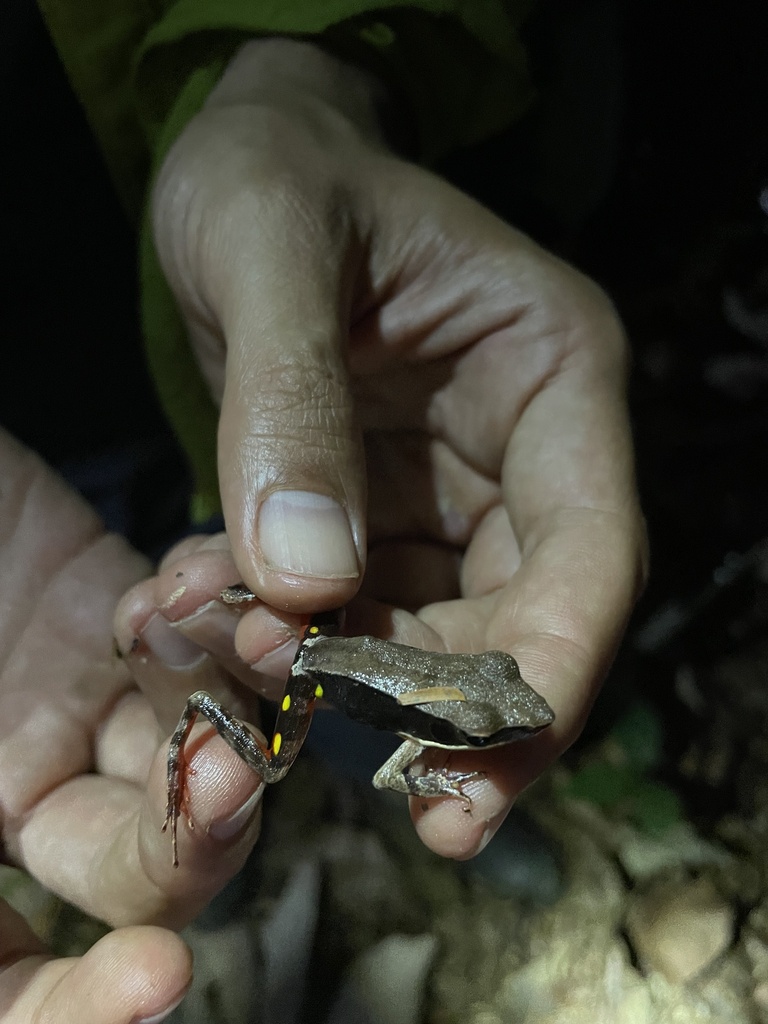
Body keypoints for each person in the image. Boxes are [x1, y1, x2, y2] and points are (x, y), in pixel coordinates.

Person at [0, 17, 647, 1024]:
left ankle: (236, 844)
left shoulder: (449, 679)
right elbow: (408, 747)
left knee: (235, 584)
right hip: (94, 448)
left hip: (228, 447)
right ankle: (222, 880)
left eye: (493, 700)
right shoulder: (419, 719)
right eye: (488, 712)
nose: (507, 703)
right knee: (229, 729)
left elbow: (448, 699)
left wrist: (296, 70)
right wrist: (430, 754)